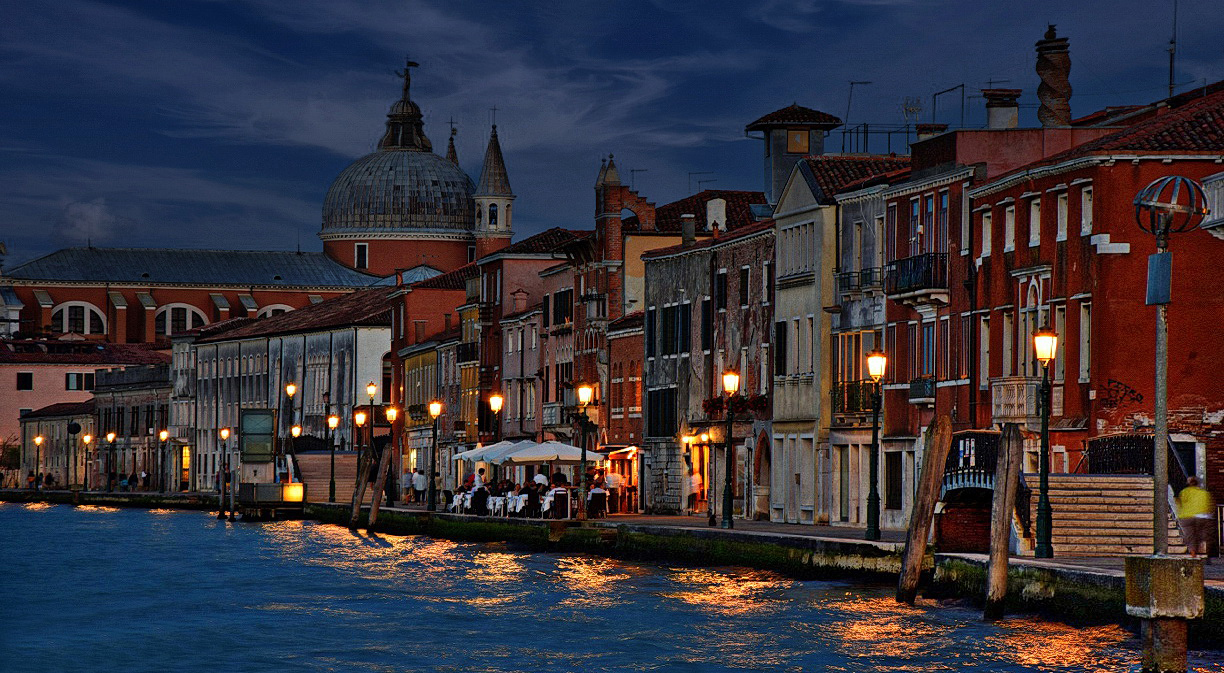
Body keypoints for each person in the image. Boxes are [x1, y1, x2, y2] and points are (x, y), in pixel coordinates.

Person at [1177, 476, 1215, 562]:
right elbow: (1209, 506)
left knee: (1190, 536)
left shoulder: (1184, 492)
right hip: (1202, 517)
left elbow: (1180, 503)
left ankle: (1193, 555)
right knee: (1202, 535)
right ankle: (1207, 554)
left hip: (1186, 516)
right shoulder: (1204, 493)